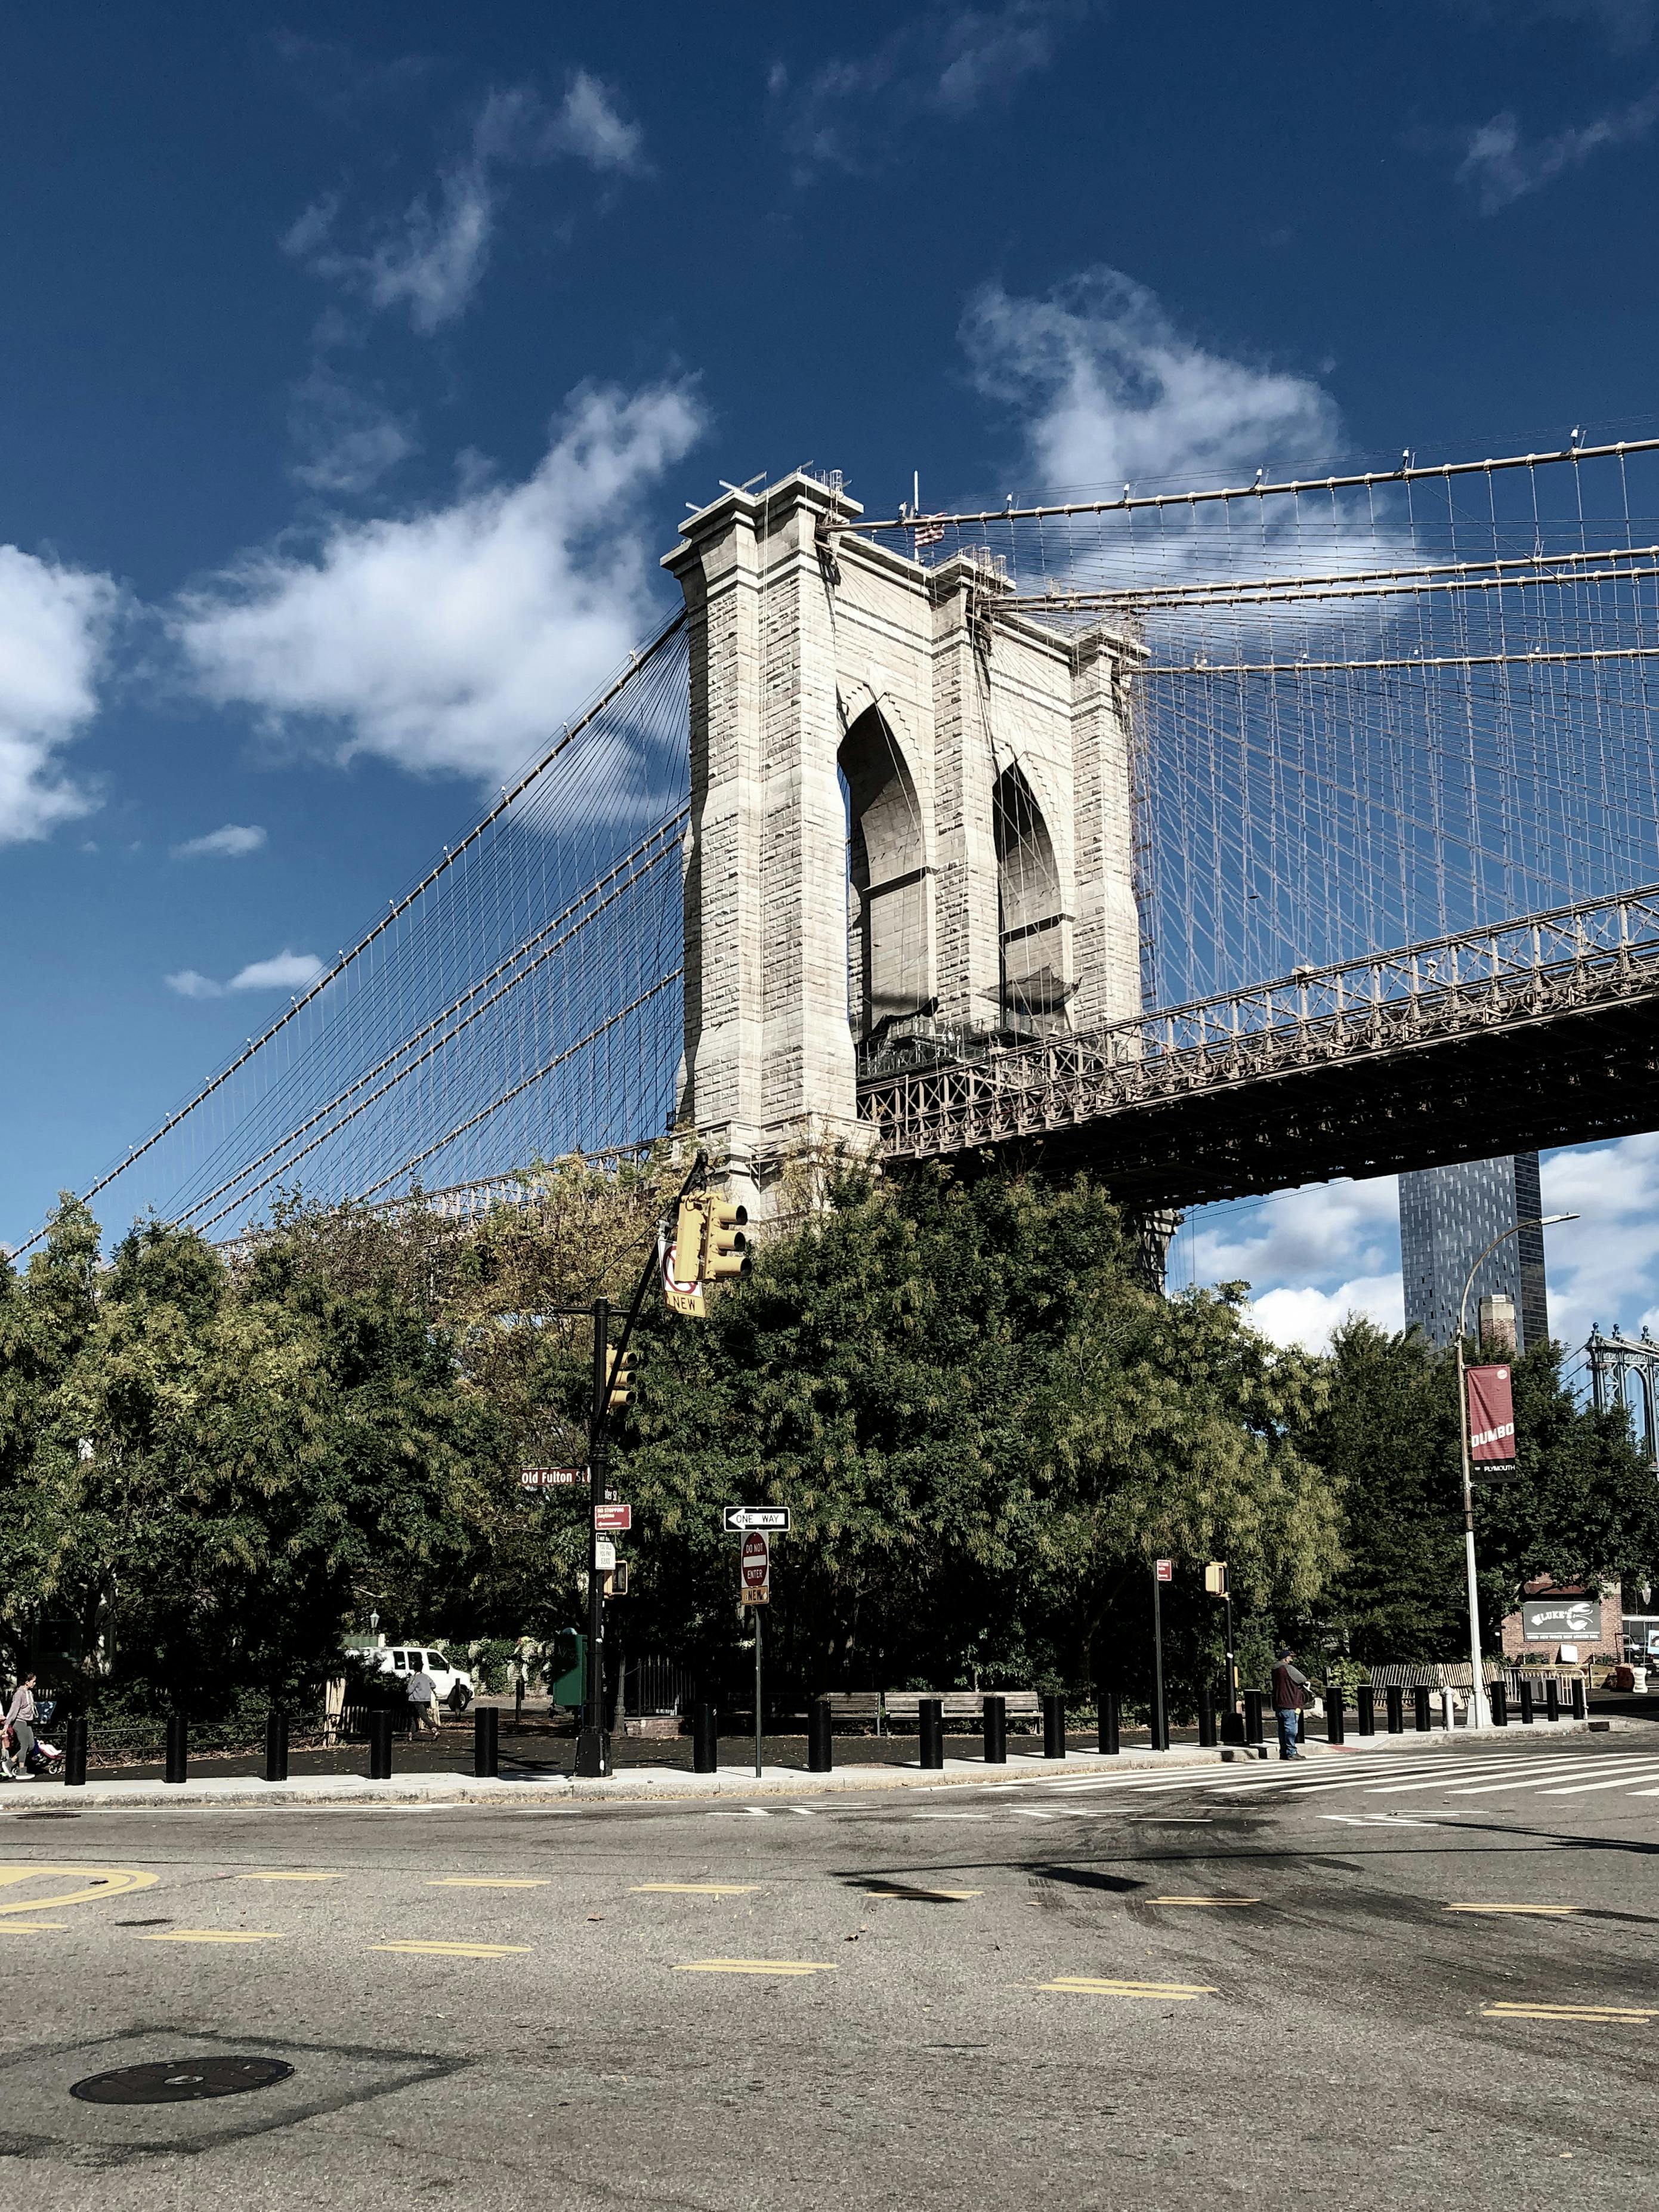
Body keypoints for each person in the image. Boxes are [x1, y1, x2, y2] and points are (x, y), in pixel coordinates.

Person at [1271, 1645, 1310, 1760]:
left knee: (1282, 1730)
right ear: (1285, 1659)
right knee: (1291, 1729)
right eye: (1290, 1657)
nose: (1291, 1659)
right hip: (1291, 1702)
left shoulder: (1274, 1669)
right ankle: (1291, 1752)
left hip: (1279, 1703)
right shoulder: (1288, 1668)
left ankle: (1284, 1751)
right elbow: (1302, 1679)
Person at [5, 1674, 39, 1777]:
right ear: (27, 1682)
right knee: (24, 1746)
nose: (34, 1683)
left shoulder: (29, 1693)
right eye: (33, 1681)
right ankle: (21, 1771)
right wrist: (7, 1724)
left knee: (31, 1745)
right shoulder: (19, 1694)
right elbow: (14, 1709)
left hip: (28, 1722)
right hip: (19, 1721)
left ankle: (10, 1762)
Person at [406, 1659, 441, 1737]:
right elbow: (433, 1685)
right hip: (426, 1699)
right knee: (414, 1716)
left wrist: (409, 1682)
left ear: (414, 1668)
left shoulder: (415, 1677)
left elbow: (410, 1690)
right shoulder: (426, 1677)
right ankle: (411, 1734)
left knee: (422, 1716)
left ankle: (434, 1730)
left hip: (416, 1700)